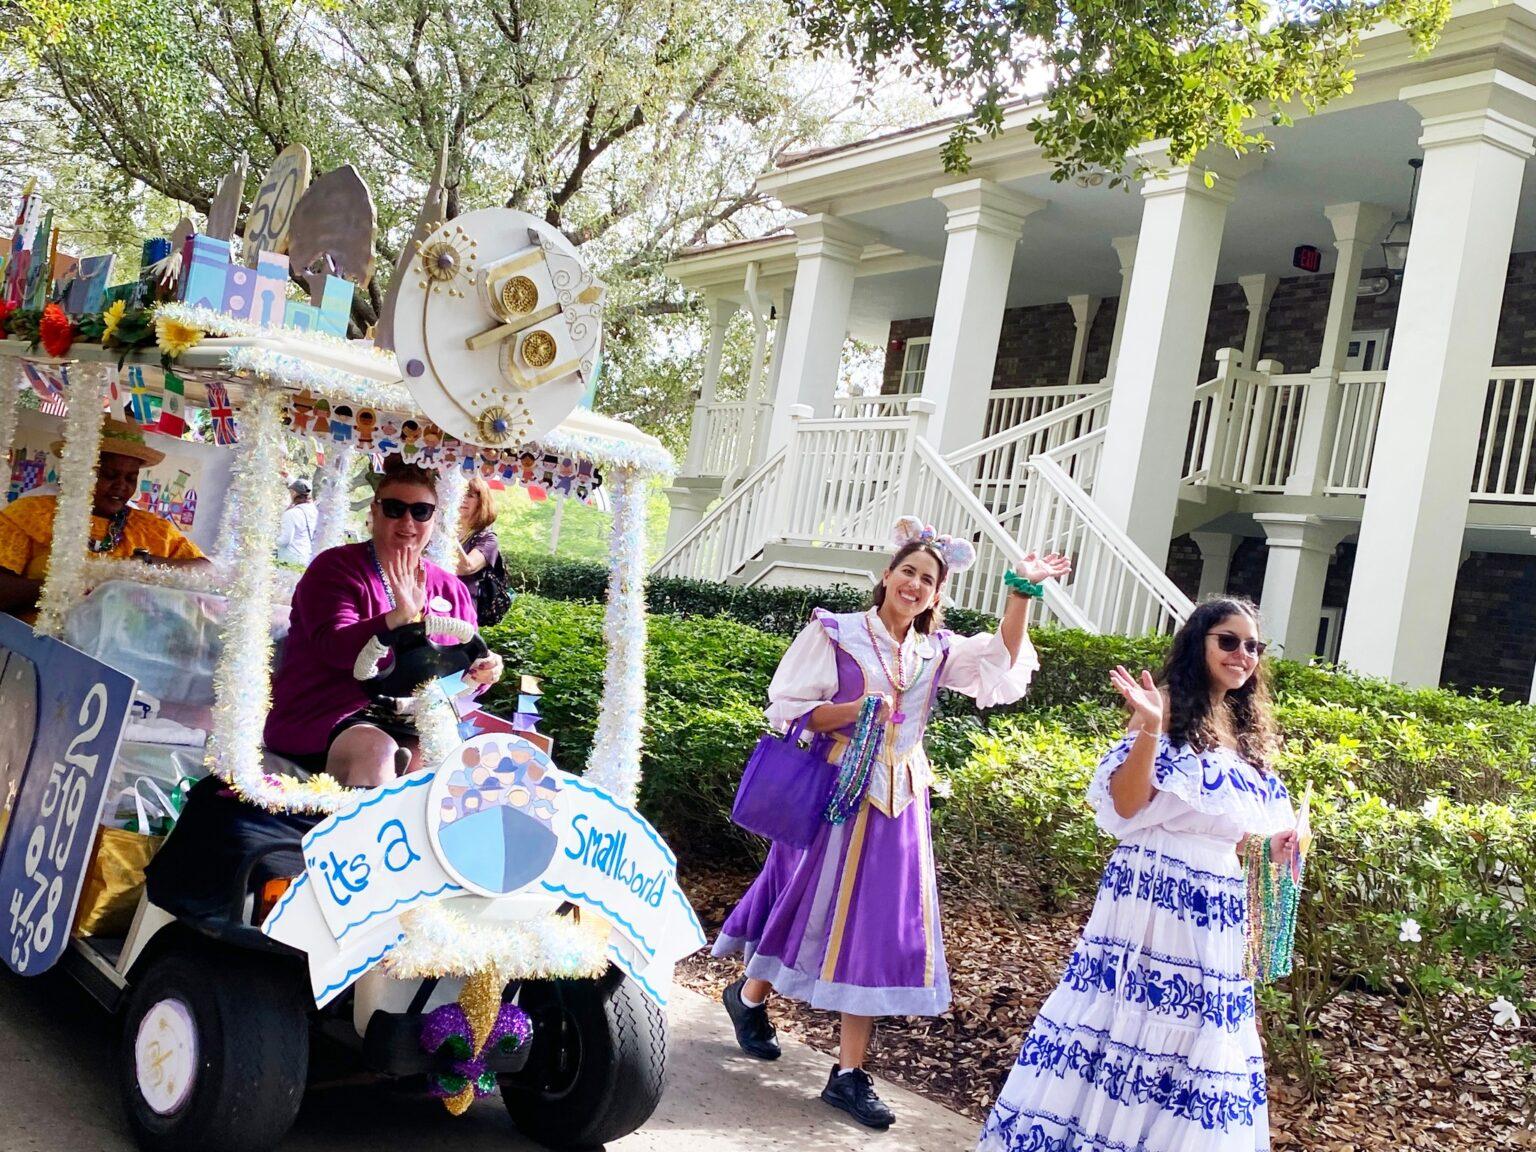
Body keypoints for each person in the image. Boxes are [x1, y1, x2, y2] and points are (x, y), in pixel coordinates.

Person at [713, 515, 1071, 1130]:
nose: (914, 584)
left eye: (927, 579)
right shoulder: (837, 634)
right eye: (907, 571)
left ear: (937, 593)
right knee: (805, 907)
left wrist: (1020, 594)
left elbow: (1004, 663)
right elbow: (795, 712)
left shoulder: (936, 649)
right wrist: (858, 710)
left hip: (899, 801)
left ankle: (848, 1073)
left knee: (876, 928)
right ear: (886, 576)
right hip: (834, 795)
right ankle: (749, 996)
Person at [976, 597, 1299, 1152]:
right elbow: (1127, 806)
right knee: (1133, 1018)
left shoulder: (1248, 733)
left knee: (1202, 1033)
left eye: (1252, 646)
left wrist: (1280, 843)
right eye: (1228, 640)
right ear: (1199, 643)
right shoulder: (1166, 705)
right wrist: (1149, 728)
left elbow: (1234, 832)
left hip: (1217, 899)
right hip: (1153, 889)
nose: (1242, 655)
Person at [264, 458, 504, 787]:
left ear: (434, 519)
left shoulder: (450, 588)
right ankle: (360, 837)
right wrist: (396, 618)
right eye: (394, 508)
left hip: (414, 721)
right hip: (328, 715)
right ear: (375, 513)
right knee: (377, 750)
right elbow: (334, 648)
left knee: (452, 772)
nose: (407, 521)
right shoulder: (335, 568)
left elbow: (456, 675)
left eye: (420, 511)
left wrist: (481, 674)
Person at [0, 418, 211, 623]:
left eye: (130, 478)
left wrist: (144, 564)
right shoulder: (31, 513)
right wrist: (72, 588)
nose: (121, 486)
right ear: (81, 470)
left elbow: (206, 570)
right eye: (109, 475)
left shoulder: (152, 529)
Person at [454, 475, 503, 611]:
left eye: (469, 495)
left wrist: (446, 531)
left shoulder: (488, 539)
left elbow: (466, 567)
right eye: (459, 493)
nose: (463, 498)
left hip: (462, 607)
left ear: (481, 502)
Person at [276, 477, 319, 566]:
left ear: (294, 493)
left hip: (289, 560)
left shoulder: (291, 514)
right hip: (306, 557)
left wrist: (272, 541)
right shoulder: (314, 511)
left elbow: (285, 541)